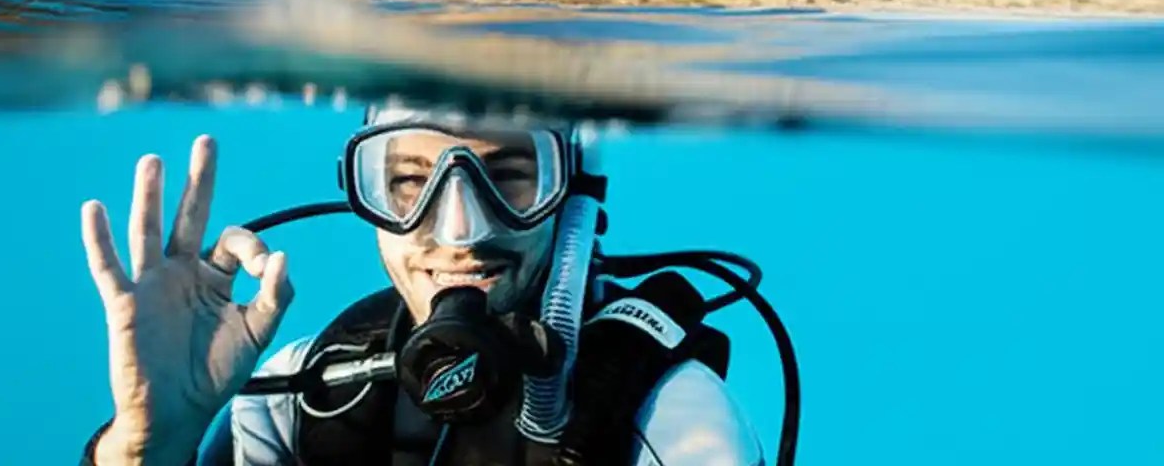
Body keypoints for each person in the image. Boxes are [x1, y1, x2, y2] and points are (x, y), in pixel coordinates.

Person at [78, 104, 774, 466]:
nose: (463, 230)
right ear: (367, 197)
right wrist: (148, 446)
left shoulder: (677, 423)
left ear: (574, 198)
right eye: (409, 181)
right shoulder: (304, 397)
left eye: (508, 178)